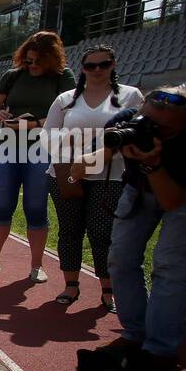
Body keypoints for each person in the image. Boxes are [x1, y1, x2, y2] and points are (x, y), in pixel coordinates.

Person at [78, 87, 186, 371]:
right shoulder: (127, 121)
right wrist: (102, 153)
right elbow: (94, 161)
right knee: (120, 257)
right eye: (148, 121)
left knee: (170, 267)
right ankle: (134, 336)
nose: (150, 130)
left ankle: (159, 352)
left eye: (162, 128)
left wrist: (153, 163)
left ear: (185, 123)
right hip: (141, 184)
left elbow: (174, 200)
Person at [43, 45, 145, 308]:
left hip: (110, 175)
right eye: (91, 65)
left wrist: (98, 156)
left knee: (103, 234)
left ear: (113, 65)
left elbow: (138, 135)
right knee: (69, 231)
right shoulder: (66, 99)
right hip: (67, 174)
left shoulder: (130, 96)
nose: (97, 70)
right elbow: (47, 136)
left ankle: (107, 289)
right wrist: (72, 158)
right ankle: (71, 285)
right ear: (83, 68)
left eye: (104, 64)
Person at [0, 31, 76, 281]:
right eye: (28, 60)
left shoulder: (63, 77)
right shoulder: (12, 75)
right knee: (2, 204)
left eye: (37, 61)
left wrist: (33, 125)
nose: (31, 65)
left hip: (42, 146)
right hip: (9, 143)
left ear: (51, 59)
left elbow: (70, 113)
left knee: (35, 205)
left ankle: (36, 266)